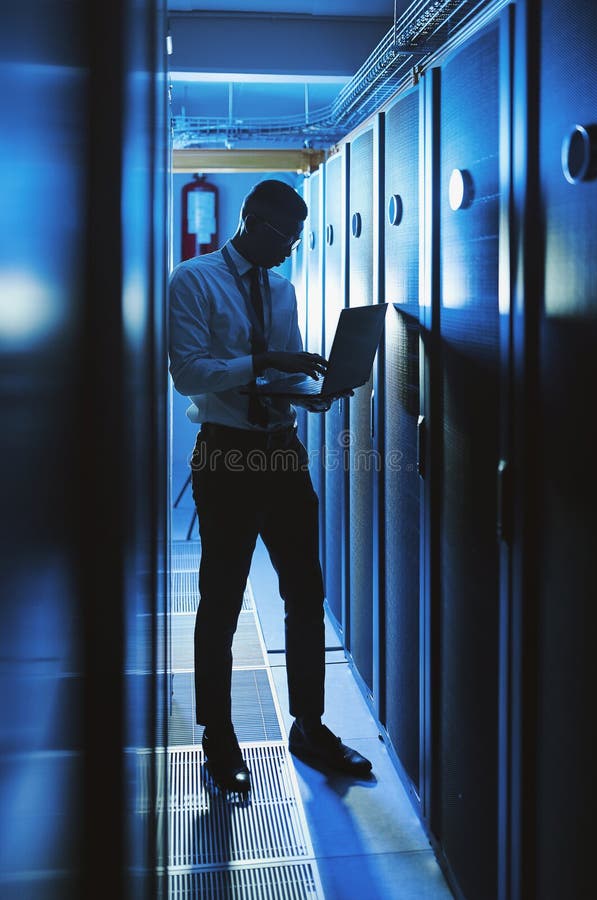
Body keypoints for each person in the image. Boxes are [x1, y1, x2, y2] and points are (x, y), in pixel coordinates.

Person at [168, 178, 372, 794]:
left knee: (306, 594)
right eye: (285, 236)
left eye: (298, 238)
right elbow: (189, 372)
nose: (290, 250)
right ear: (251, 222)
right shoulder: (193, 280)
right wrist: (266, 365)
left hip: (283, 454)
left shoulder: (283, 290)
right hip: (227, 457)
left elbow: (278, 378)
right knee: (223, 599)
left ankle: (309, 726)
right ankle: (218, 736)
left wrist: (313, 393)